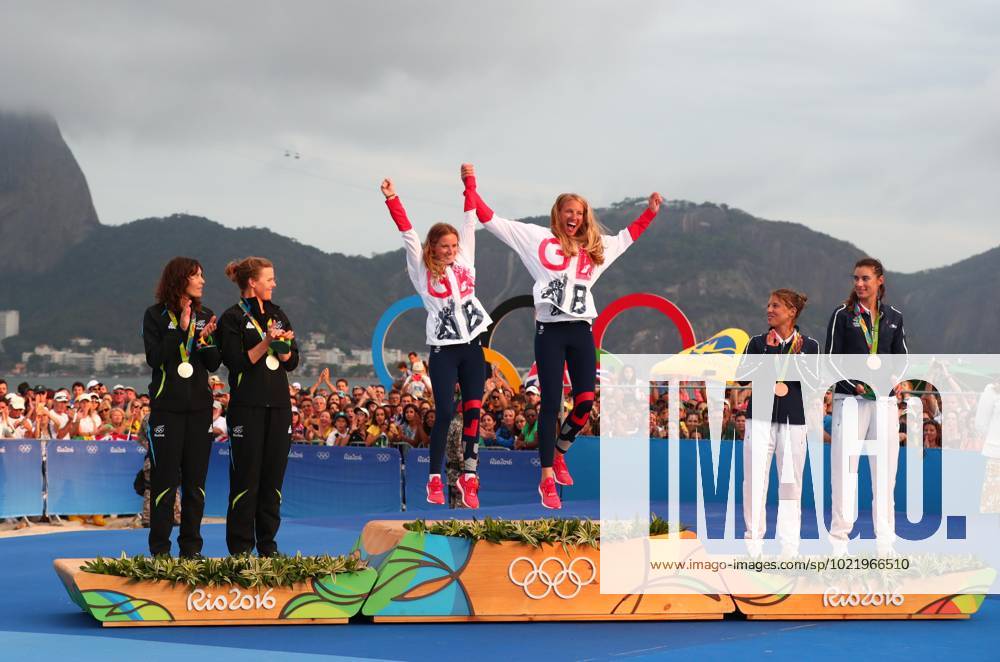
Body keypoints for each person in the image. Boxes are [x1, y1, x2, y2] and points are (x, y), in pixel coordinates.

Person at [462, 164, 662, 508]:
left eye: (580, 213)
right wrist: (469, 184)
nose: (575, 217)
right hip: (550, 332)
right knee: (551, 403)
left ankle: (559, 452)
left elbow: (628, 237)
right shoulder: (536, 238)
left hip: (581, 330)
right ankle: (547, 479)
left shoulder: (594, 250)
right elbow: (489, 218)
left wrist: (649, 212)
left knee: (585, 401)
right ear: (558, 214)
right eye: (569, 211)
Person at [381, 177, 491, 508]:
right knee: (444, 411)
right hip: (443, 350)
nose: (451, 251)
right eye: (445, 246)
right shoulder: (421, 268)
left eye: (454, 246)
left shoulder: (465, 259)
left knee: (473, 409)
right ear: (433, 247)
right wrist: (392, 198)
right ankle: (434, 479)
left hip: (472, 345)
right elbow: (408, 233)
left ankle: (469, 476)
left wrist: (469, 182)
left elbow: (470, 218)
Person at [825, 257, 908, 556]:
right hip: (850, 402)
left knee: (885, 473)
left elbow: (901, 358)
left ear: (880, 281)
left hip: (884, 402)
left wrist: (897, 380)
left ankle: (885, 544)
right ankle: (839, 543)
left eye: (865, 279)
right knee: (845, 471)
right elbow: (832, 359)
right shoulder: (842, 315)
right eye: (856, 279)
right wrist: (854, 386)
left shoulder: (894, 317)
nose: (859, 284)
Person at [218, 256, 299, 557]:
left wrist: (284, 348)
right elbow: (235, 363)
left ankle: (268, 546)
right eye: (270, 279)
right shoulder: (232, 318)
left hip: (279, 407)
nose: (274, 284)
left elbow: (293, 362)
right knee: (245, 480)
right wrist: (266, 342)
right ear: (253, 282)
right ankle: (240, 549)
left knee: (272, 480)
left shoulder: (278, 315)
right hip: (246, 408)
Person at [141, 256, 221, 557]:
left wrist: (204, 340)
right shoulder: (155, 316)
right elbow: (155, 358)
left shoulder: (208, 315)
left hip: (200, 410)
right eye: (197, 276)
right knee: (164, 483)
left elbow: (214, 362)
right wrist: (180, 329)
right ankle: (160, 551)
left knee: (195, 486)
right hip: (166, 410)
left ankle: (191, 550)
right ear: (180, 280)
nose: (202, 281)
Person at [739, 289, 820, 557]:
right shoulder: (757, 343)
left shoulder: (809, 346)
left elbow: (813, 384)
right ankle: (753, 544)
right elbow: (741, 377)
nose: (769, 310)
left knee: (790, 484)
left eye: (775, 305)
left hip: (794, 422)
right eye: (769, 305)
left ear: (791, 312)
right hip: (759, 421)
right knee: (754, 482)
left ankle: (788, 547)